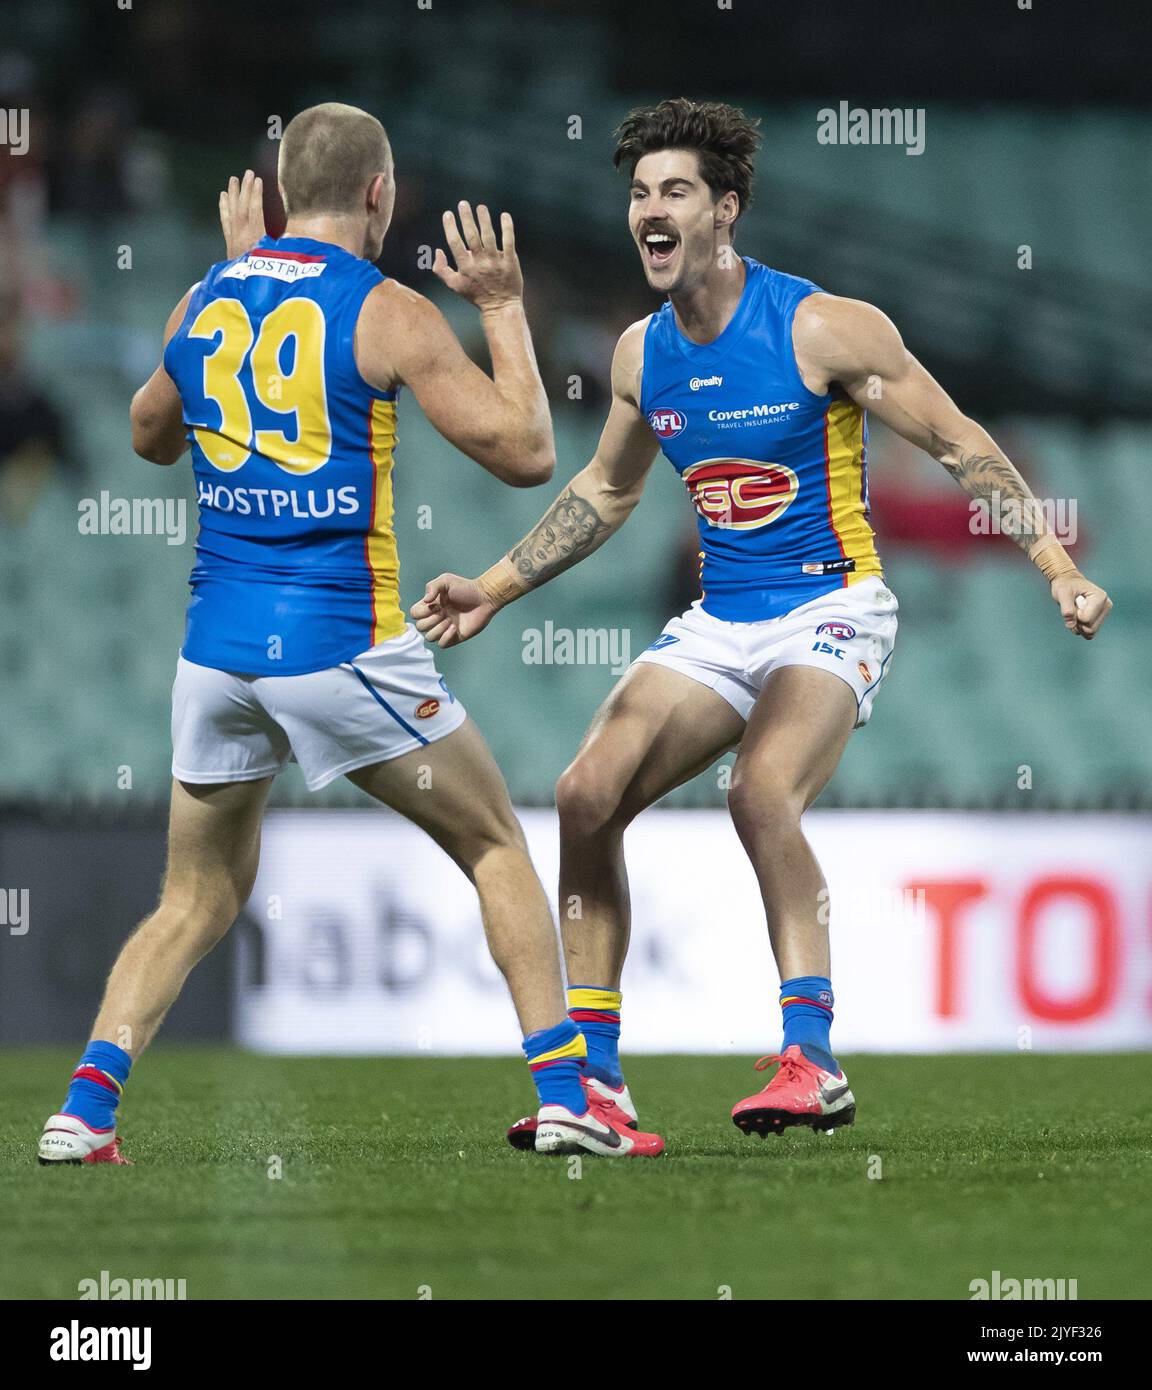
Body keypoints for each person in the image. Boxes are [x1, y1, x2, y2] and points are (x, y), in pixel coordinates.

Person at [411, 98, 1113, 1145]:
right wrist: (496, 584)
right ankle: (597, 1086)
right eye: (640, 193)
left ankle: (812, 1058)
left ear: (725, 210)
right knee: (585, 793)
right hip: (722, 620)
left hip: (832, 607)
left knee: (760, 790)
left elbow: (959, 439)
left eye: (676, 190)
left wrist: (1055, 565)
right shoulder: (642, 354)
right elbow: (606, 492)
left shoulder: (821, 327)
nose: (651, 210)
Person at [37, 102, 663, 1166]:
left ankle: (84, 1111)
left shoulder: (205, 295)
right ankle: (570, 1096)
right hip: (335, 645)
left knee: (195, 894)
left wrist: (219, 298)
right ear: (381, 194)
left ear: (279, 194)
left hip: (214, 657)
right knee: (496, 844)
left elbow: (148, 437)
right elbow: (523, 451)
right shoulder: (386, 310)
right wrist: (505, 308)